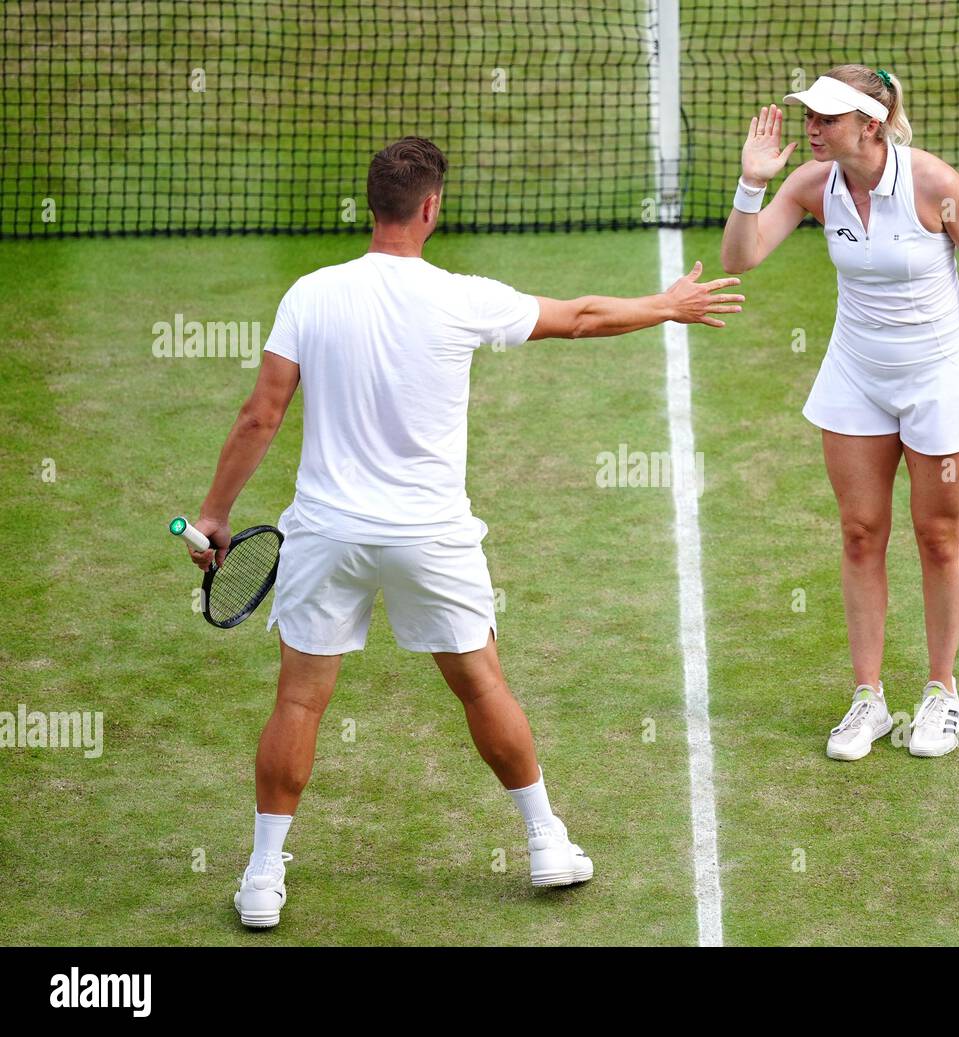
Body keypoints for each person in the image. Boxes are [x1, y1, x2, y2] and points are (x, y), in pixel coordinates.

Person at [187, 136, 743, 928]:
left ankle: (262, 878)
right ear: (431, 208)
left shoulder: (309, 295)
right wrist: (666, 305)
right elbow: (579, 318)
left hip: (329, 532)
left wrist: (213, 514)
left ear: (371, 204)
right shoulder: (461, 296)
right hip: (429, 536)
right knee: (480, 681)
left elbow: (261, 413)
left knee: (301, 699)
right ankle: (546, 840)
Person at [720, 67, 959, 762]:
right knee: (861, 533)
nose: (811, 128)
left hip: (942, 378)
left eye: (826, 118)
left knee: (937, 535)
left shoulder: (935, 186)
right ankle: (868, 698)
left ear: (869, 124)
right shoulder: (812, 186)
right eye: (808, 115)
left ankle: (941, 691)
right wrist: (753, 183)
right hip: (857, 376)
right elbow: (740, 257)